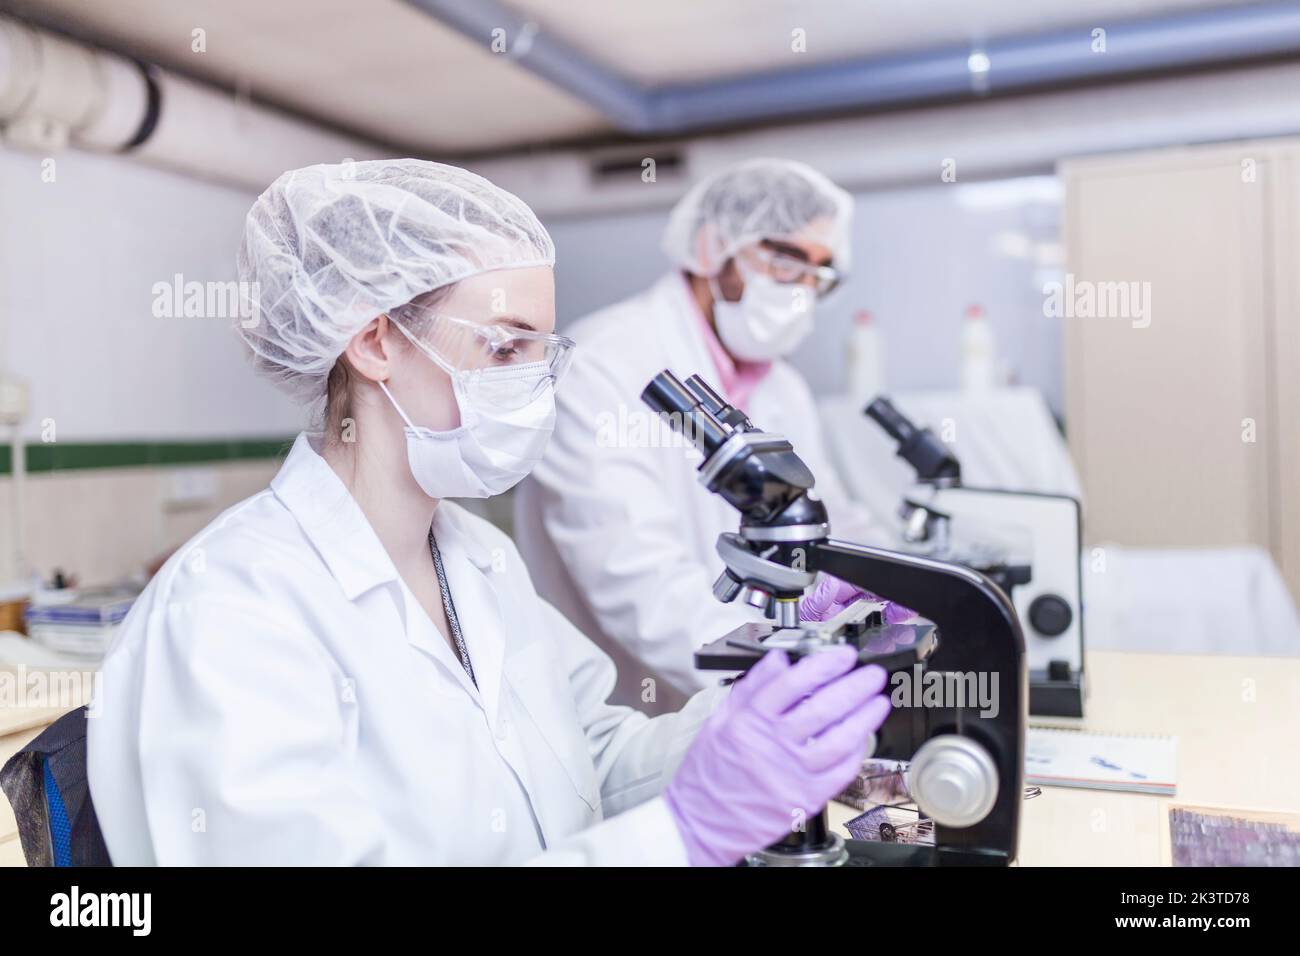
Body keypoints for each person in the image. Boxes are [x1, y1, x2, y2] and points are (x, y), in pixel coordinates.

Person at [85, 159, 891, 866]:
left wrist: (748, 722)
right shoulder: (232, 612)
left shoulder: (478, 560)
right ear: (373, 343)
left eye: (543, 351)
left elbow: (593, 760)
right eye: (505, 349)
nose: (537, 386)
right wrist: (678, 837)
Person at [515, 158, 896, 715]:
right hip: (632, 709)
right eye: (786, 261)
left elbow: (827, 517)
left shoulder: (781, 386)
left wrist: (902, 590)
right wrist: (788, 677)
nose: (800, 292)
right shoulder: (605, 363)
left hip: (750, 697)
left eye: (818, 275)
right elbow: (642, 585)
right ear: (715, 247)